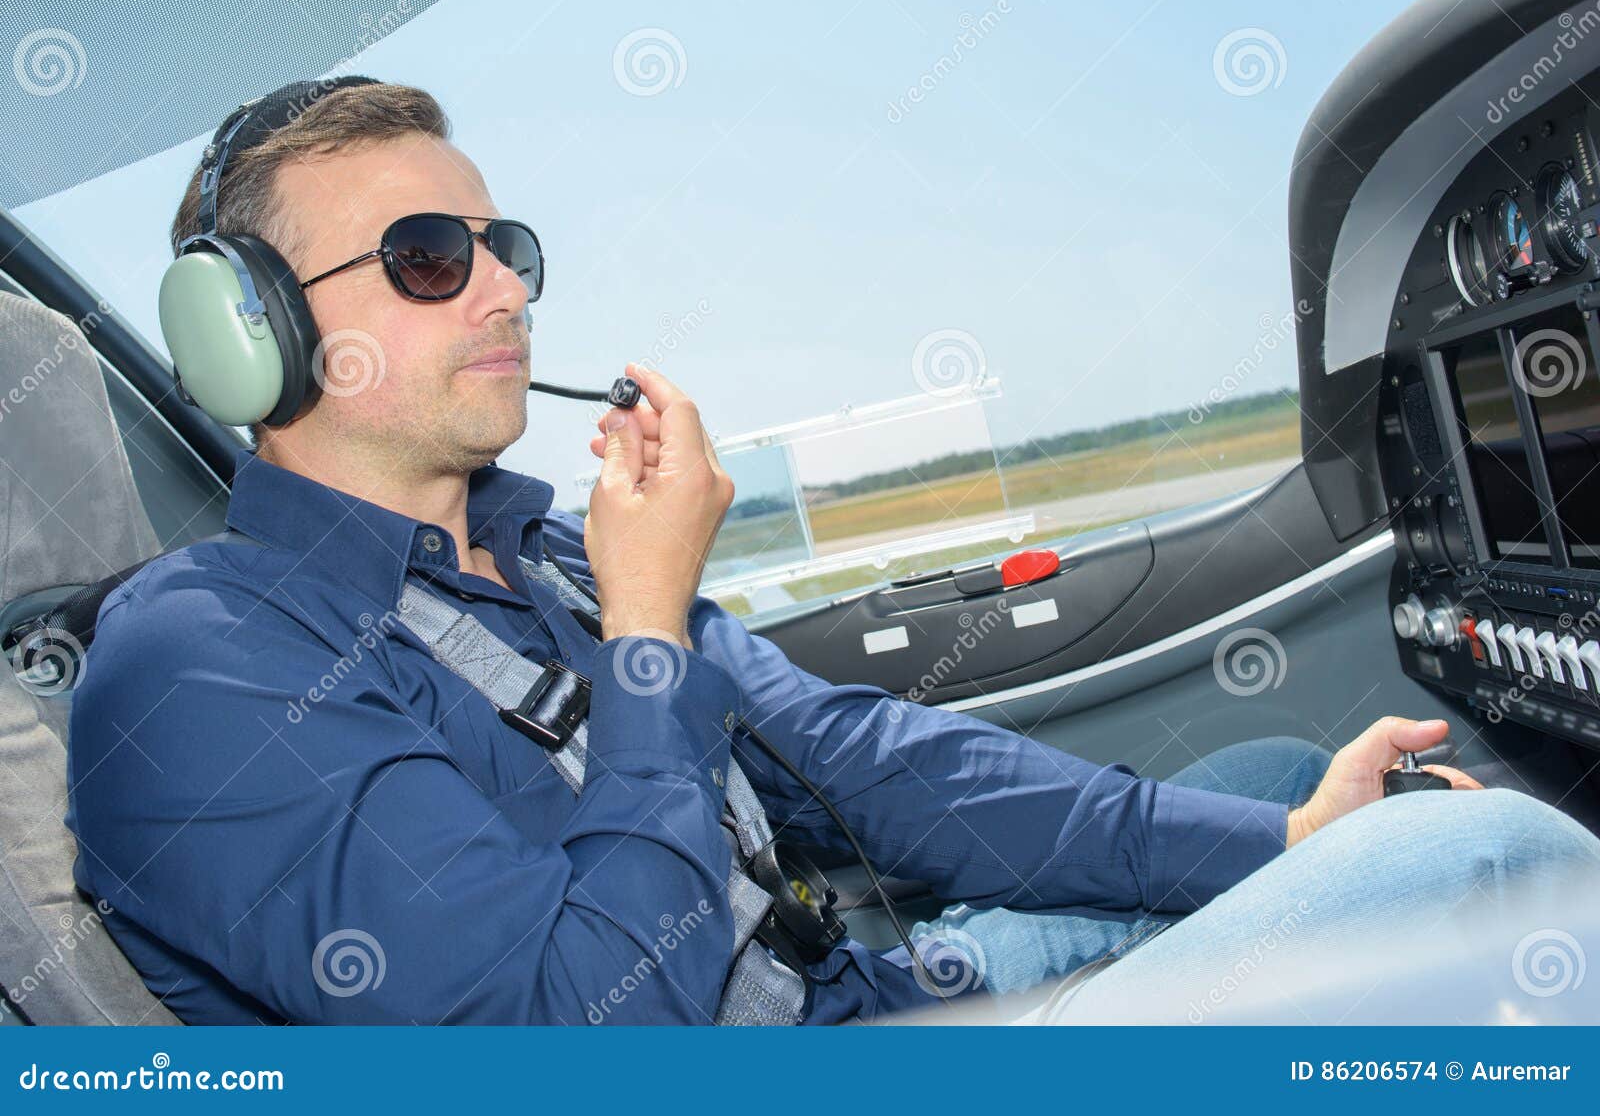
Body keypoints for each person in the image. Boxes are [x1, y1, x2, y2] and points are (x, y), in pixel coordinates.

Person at [66, 78, 1600, 1025]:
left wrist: (1283, 854)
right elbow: (574, 1040)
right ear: (249, 334)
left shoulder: (545, 553)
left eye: (505, 249)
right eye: (425, 259)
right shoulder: (201, 666)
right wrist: (653, 632)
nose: (503, 296)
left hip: (853, 991)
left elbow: (870, 761)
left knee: (1278, 780)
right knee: (1489, 866)